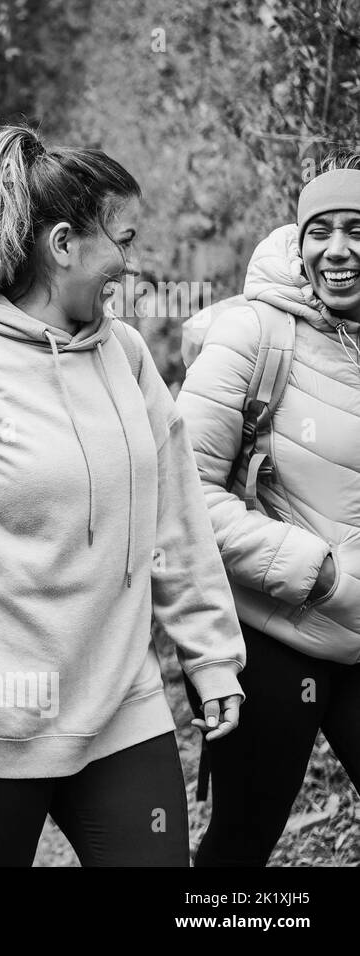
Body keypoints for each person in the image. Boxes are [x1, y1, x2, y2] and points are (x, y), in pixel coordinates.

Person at [0, 125, 246, 866]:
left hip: (122, 709)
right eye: (121, 241)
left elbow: (177, 517)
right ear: (63, 244)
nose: (132, 264)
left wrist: (212, 654)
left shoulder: (125, 356)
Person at [176, 154, 360, 866]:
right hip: (274, 635)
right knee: (243, 841)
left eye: (355, 229)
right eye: (321, 231)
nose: (337, 249)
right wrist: (310, 570)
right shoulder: (256, 333)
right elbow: (181, 494)